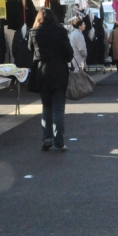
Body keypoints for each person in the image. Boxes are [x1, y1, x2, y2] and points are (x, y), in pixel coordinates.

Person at [27, 8, 74, 152]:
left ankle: (47, 138)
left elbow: (30, 49)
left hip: (41, 72)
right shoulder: (60, 32)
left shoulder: (33, 32)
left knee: (46, 107)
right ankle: (59, 142)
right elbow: (69, 53)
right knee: (58, 109)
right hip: (59, 71)